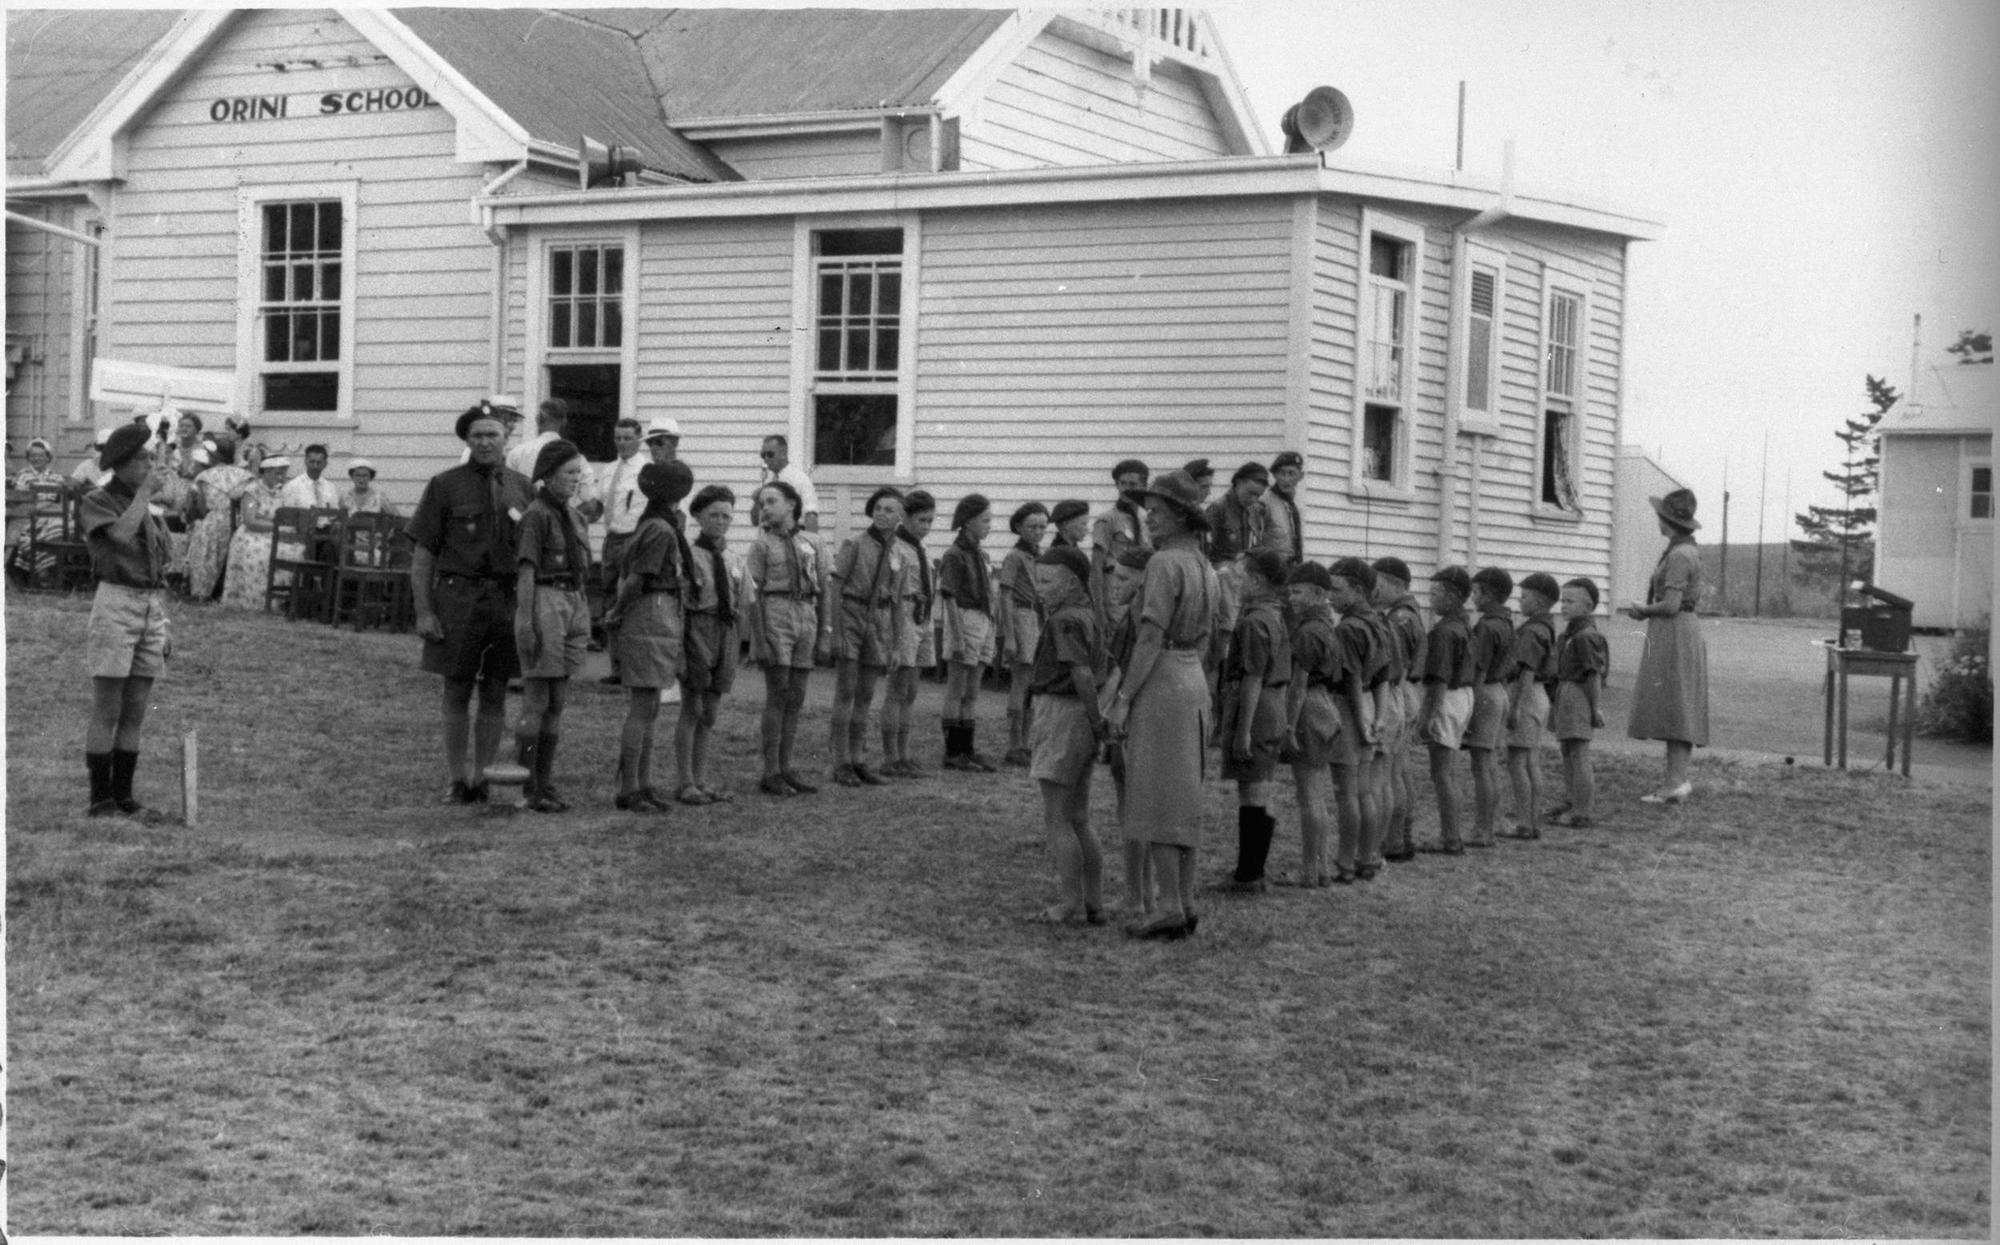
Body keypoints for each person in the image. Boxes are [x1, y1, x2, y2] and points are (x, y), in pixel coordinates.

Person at [1104, 469, 1218, 941]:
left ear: (1182, 516)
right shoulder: (1204, 566)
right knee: (1185, 793)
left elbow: (1149, 634)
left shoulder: (1164, 563)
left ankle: (1169, 903)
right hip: (1193, 675)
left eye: (1157, 511)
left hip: (1164, 676)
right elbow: (1209, 636)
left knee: (1157, 794)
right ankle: (1184, 899)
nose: (1149, 519)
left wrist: (1123, 698)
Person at [408, 399, 536, 804]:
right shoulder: (444, 485)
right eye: (477, 435)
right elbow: (424, 555)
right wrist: (425, 611)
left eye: (492, 434)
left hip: (504, 600)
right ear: (467, 439)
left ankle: (483, 776)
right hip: (458, 598)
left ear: (506, 438)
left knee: (496, 688)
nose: (485, 442)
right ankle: (456, 778)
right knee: (457, 689)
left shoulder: (522, 487)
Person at [77, 423, 173, 821]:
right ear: (120, 464)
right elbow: (118, 536)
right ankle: (100, 799)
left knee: (135, 710)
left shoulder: (145, 506)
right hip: (116, 601)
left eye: (151, 459)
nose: (150, 466)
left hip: (149, 605)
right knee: (108, 709)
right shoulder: (97, 499)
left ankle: (124, 795)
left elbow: (161, 565)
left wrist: (165, 623)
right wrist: (145, 497)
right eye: (142, 460)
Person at [605, 460, 695, 812]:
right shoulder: (660, 530)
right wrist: (617, 610)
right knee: (643, 706)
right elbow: (638, 578)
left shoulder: (653, 525)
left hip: (657, 611)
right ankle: (629, 787)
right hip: (652, 612)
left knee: (651, 705)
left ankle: (641, 783)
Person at [1027, 544, 1108, 925]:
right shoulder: (1089, 614)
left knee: (1056, 816)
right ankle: (1093, 901)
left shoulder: (1065, 621)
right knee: (1079, 815)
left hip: (1062, 712)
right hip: (1079, 717)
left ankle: (1069, 902)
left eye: (1046, 581)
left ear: (1073, 583)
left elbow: (1081, 673)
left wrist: (1094, 720)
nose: (1038, 587)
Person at [511, 440, 594, 812]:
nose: (575, 480)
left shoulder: (574, 517)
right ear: (546, 476)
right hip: (545, 600)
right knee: (537, 700)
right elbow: (526, 571)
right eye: (568, 473)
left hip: (573, 600)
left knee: (558, 700)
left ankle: (545, 780)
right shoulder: (537, 515)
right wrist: (526, 621)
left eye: (578, 473)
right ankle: (526, 782)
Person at [1624, 487, 1709, 803]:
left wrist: (1643, 609)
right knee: (1677, 704)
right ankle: (1677, 780)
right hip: (1674, 632)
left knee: (1677, 705)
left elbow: (1671, 604)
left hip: (1675, 631)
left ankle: (1675, 782)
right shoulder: (1683, 550)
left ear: (1667, 520)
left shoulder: (1679, 555)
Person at [745, 479, 829, 796]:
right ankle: (770, 771)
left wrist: (824, 632)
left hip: (806, 612)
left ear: (792, 505)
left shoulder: (813, 542)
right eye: (762, 503)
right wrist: (759, 638)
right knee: (778, 693)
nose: (765, 509)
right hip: (775, 611)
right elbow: (752, 593)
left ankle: (786, 765)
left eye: (772, 502)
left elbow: (825, 586)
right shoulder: (762, 545)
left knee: (796, 696)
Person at [1217, 549, 1291, 893]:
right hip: (1274, 704)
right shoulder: (1275, 615)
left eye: (1241, 575)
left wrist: (1242, 731)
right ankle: (1253, 870)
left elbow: (1252, 677)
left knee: (1252, 789)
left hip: (1257, 707)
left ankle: (1249, 874)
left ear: (1258, 581)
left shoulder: (1253, 621)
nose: (1236, 580)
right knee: (1263, 786)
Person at [828, 487, 908, 786]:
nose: (882, 514)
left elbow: (899, 601)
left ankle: (858, 758)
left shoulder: (900, 554)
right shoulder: (855, 543)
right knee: (846, 691)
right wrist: (834, 632)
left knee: (866, 694)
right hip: (852, 614)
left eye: (890, 510)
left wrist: (897, 645)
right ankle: (841, 761)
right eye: (878, 508)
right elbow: (836, 587)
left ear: (901, 516)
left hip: (881, 622)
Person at [675, 484, 740, 804]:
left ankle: (701, 779)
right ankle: (685, 781)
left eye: (726, 515)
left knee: (711, 711)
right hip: (698, 630)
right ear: (698, 515)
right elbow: (683, 604)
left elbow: (743, 597)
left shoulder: (731, 556)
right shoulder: (689, 555)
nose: (720, 521)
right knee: (693, 707)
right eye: (713, 514)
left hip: (725, 630)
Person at [1102, 546, 1157, 915]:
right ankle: (1145, 889)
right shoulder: (1137, 617)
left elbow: (1126, 670)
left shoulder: (1140, 620)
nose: (1113, 584)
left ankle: (1137, 895)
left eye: (1123, 578)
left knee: (1133, 807)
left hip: (1136, 715)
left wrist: (1112, 709)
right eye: (1113, 575)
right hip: (1136, 711)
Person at [1278, 560, 1341, 887]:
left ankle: (1309, 870)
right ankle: (1321, 869)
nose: (1292, 597)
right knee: (1316, 794)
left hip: (1308, 708)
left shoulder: (1307, 631)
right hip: (1325, 705)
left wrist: (1288, 726)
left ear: (1318, 594)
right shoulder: (1327, 626)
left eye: (1298, 591)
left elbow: (1298, 685)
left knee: (1309, 796)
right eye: (1290, 591)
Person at [1326, 557, 1389, 882]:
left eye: (1336, 590)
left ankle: (1345, 862)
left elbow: (1351, 679)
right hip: (1369, 705)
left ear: (1359, 590)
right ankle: (1367, 857)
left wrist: (1361, 723)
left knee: (1346, 792)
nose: (1329, 597)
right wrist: (1377, 717)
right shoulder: (1378, 622)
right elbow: (1382, 676)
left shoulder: (1348, 627)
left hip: (1349, 708)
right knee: (1364, 791)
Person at [1416, 566, 1476, 855]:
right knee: (1447, 772)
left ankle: (1450, 837)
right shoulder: (1463, 625)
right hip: (1462, 695)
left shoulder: (1443, 632)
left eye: (1435, 594)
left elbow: (1438, 679)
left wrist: (1426, 719)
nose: (1431, 600)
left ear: (1452, 597)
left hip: (1447, 697)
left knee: (1442, 773)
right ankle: (1451, 834)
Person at [1371, 556, 1427, 863]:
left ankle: (1392, 840)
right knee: (1401, 771)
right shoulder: (1408, 613)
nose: (1374, 590)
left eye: (1377, 583)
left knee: (1392, 772)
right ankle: (1401, 838)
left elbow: (1395, 663)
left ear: (1396, 584)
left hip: (1399, 688)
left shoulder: (1400, 618)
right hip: (1409, 690)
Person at [938, 493, 999, 772]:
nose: (989, 525)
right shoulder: (955, 554)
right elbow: (948, 596)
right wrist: (959, 635)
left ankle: (967, 748)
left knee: (972, 690)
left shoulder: (981, 554)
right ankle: (952, 751)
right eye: (985, 520)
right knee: (957, 689)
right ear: (968, 521)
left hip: (983, 619)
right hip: (964, 617)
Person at [1500, 571, 1561, 839]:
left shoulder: (1532, 631)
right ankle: (1532, 820)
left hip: (1526, 695)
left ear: (1538, 602)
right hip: (1538, 696)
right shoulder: (1546, 627)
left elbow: (1526, 671)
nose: (1520, 602)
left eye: (1524, 597)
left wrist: (1515, 707)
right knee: (1530, 761)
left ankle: (1525, 822)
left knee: (1517, 762)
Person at [882, 489, 938, 777]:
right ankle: (890, 756)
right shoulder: (897, 548)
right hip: (904, 616)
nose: (926, 527)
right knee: (898, 688)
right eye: (921, 520)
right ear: (905, 518)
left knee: (912, 690)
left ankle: (904, 753)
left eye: (930, 521)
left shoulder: (921, 549)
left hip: (923, 618)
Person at [590, 417, 649, 686]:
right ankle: (616, 668)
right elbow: (597, 505)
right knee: (610, 600)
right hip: (612, 540)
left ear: (639, 439)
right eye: (618, 438)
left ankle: (634, 667)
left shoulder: (647, 471)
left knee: (630, 600)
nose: (622, 443)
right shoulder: (610, 469)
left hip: (634, 540)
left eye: (627, 438)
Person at [1463, 566, 1516, 849]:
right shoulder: (1506, 622)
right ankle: (1491, 824)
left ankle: (1483, 830)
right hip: (1500, 690)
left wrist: (1470, 709)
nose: (1473, 597)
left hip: (1484, 691)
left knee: (1481, 764)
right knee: (1490, 764)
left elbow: (1479, 669)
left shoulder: (1486, 626)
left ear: (1489, 594)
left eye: (1476, 592)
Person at [1551, 577, 1609, 828]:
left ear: (1588, 606)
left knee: (1578, 752)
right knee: (1568, 750)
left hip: (1578, 694)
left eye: (1570, 601)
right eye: (1562, 600)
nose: (1563, 606)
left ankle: (1581, 811)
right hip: (1566, 691)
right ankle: (1571, 800)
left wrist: (1595, 708)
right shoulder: (1570, 634)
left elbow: (1593, 675)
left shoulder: (1586, 636)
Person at [998, 501, 1049, 767]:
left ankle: (1026, 743)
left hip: (1037, 618)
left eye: (1042, 526)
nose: (1038, 531)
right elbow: (1005, 595)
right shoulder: (1015, 557)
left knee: (1031, 684)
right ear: (1019, 527)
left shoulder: (1038, 556)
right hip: (1021, 617)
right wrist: (1009, 635)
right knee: (1021, 682)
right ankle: (1014, 744)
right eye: (1032, 526)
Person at [183, 436, 255, 601]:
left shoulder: (203, 476)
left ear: (215, 456)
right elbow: (251, 503)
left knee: (205, 550)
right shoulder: (247, 476)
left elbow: (201, 508)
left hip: (213, 521)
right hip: (240, 522)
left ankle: (202, 591)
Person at [220, 454, 292, 610]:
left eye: (283, 473)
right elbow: (250, 520)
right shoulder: (253, 490)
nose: (281, 477)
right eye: (277, 473)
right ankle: (256, 601)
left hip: (275, 534)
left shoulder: (283, 491)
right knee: (263, 553)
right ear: (265, 472)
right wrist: (275, 527)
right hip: (252, 535)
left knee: (295, 551)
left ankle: (282, 602)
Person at [7, 437, 66, 584]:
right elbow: (21, 500)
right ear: (28, 458)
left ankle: (46, 572)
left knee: (55, 531)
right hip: (29, 517)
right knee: (28, 537)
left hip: (52, 518)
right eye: (32, 455)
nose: (36, 459)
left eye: (40, 455)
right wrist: (42, 505)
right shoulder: (23, 475)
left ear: (48, 457)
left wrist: (45, 504)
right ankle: (43, 573)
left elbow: (62, 502)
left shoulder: (57, 477)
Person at [1089, 459, 1150, 594]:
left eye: (1133, 484)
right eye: (1122, 483)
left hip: (1141, 592)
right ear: (1117, 485)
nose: (1126, 489)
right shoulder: (1107, 520)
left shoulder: (1147, 520)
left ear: (1144, 487)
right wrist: (1099, 611)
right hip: (1115, 596)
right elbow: (1096, 568)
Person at [753, 434, 819, 531]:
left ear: (783, 454)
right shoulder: (767, 481)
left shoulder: (799, 479)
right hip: (770, 537)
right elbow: (755, 521)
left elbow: (811, 515)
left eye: (770, 454)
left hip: (792, 536)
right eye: (763, 455)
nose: (766, 459)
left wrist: (811, 544)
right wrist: (756, 501)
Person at [1259, 450, 1304, 564]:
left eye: (1291, 473)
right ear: (1274, 475)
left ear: (1301, 476)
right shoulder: (1264, 503)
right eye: (1282, 473)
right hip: (1271, 571)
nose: (1286, 479)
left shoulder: (1292, 506)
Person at [505, 398, 568, 478]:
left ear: (537, 419)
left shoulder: (517, 453)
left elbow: (507, 487)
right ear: (564, 422)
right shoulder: (573, 456)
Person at [280, 443, 341, 511]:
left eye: (319, 462)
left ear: (325, 464)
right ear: (305, 461)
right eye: (312, 462)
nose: (315, 466)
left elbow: (335, 513)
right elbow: (288, 515)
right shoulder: (292, 486)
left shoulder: (331, 488)